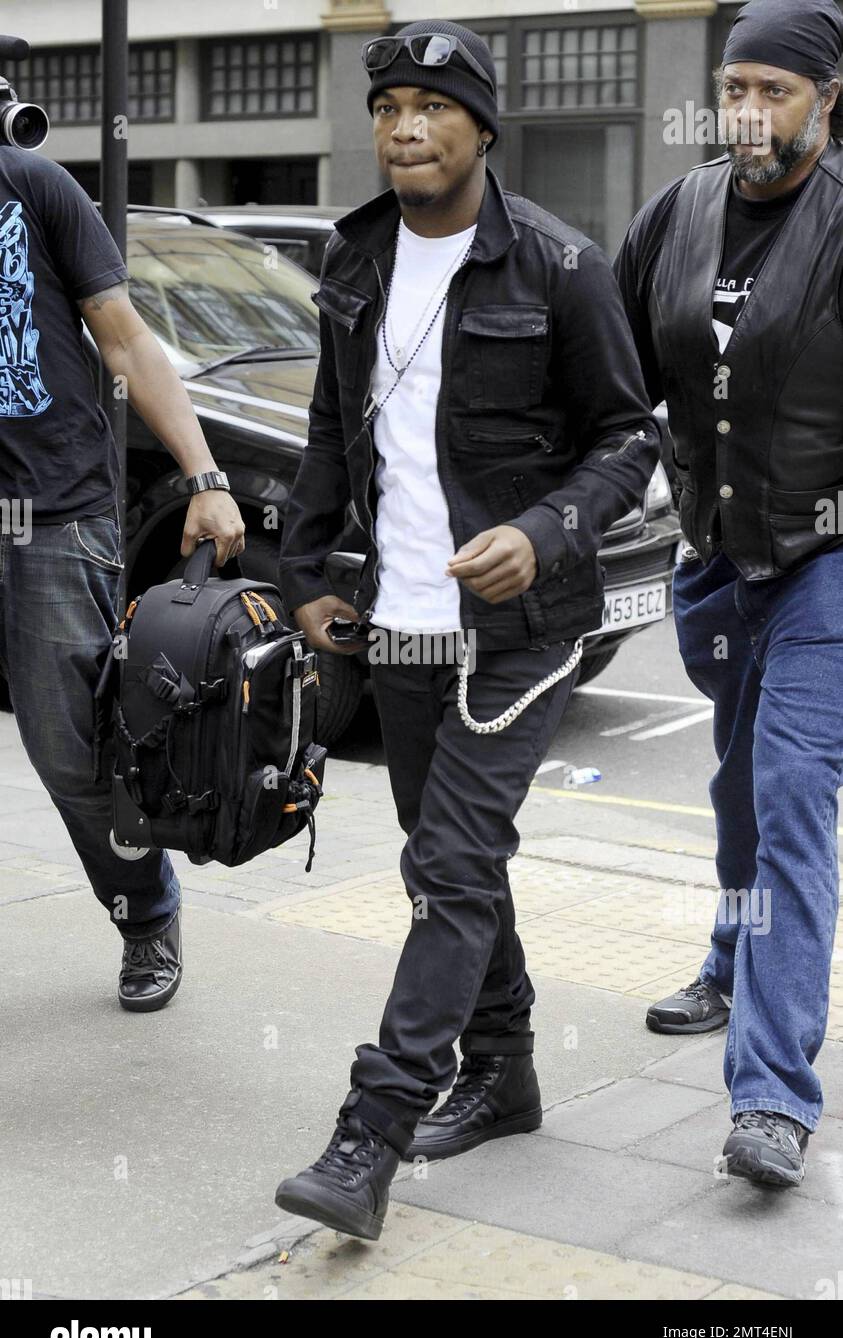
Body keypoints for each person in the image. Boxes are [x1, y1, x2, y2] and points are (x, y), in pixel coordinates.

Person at [275, 19, 660, 1241]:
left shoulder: (557, 265)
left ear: (481, 127)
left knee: (446, 867)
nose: (404, 127)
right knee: (451, 861)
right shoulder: (353, 261)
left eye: (432, 107)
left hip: (517, 629)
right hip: (399, 624)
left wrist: (546, 530)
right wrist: (305, 573)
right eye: (387, 106)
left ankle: (370, 1131)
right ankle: (508, 1075)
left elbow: (629, 436)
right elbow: (336, 430)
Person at [614, 0, 843, 1187]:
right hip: (713, 556)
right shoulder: (681, 210)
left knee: (793, 795)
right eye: (733, 87)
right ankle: (727, 952)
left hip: (824, 559)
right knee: (740, 785)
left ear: (827, 100)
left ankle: (772, 1098)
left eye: (775, 91)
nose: (748, 113)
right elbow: (612, 368)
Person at [0, 145, 244, 1011]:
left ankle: (144, 915)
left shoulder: (31, 185)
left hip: (51, 512)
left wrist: (204, 477)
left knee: (74, 754)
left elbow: (126, 338)